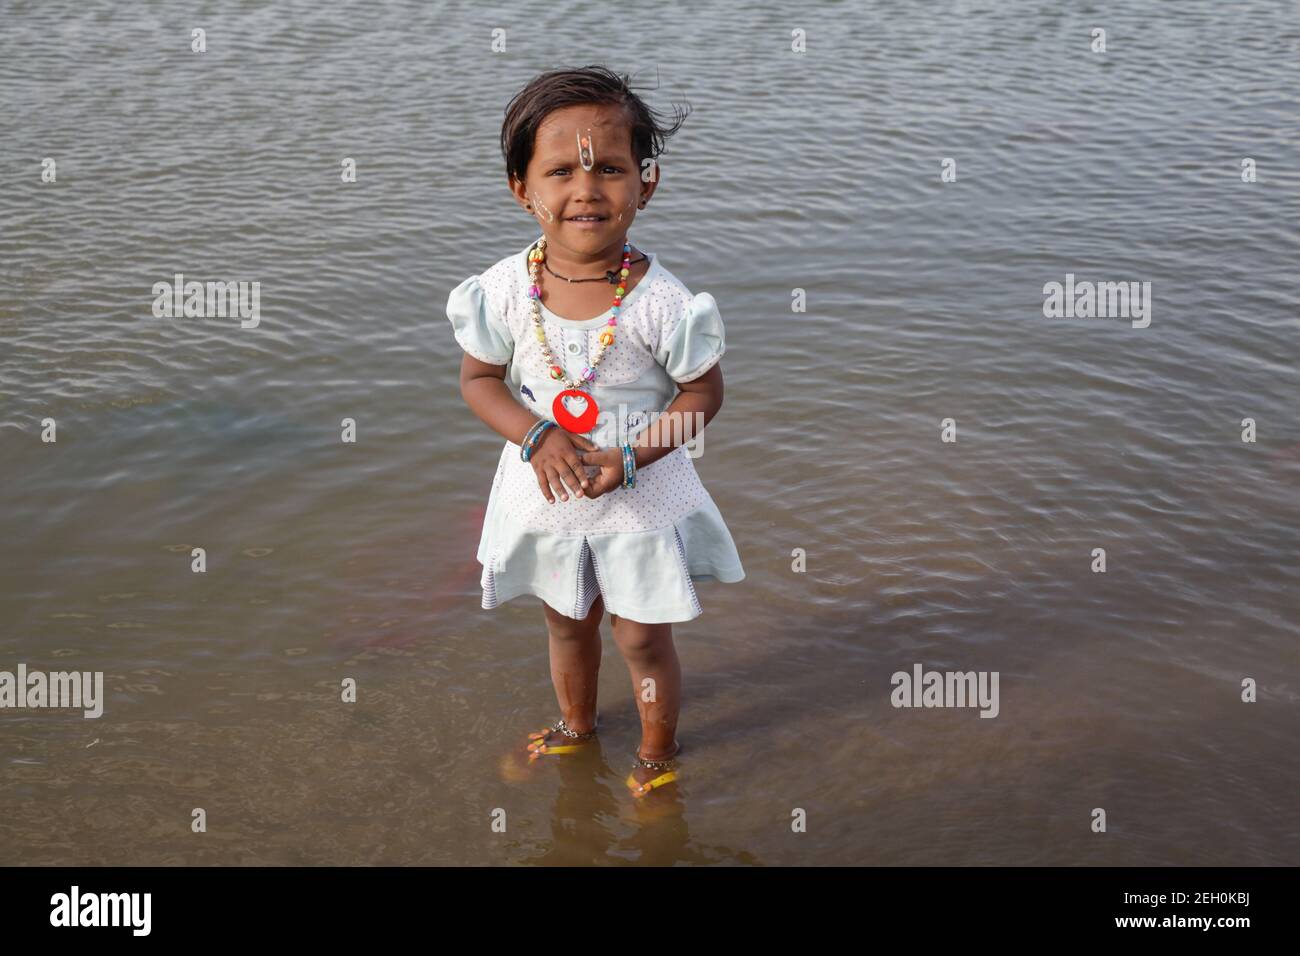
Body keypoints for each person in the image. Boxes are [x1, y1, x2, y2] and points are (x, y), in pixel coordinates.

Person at [446, 66, 744, 798]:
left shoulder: (662, 301)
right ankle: (576, 727)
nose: (586, 190)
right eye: (560, 172)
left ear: (647, 184)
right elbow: (479, 380)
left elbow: (702, 394)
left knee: (641, 635)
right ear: (521, 188)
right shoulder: (503, 290)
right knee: (567, 621)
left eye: (610, 168)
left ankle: (656, 753)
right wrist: (535, 435)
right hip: (547, 487)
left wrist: (633, 456)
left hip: (638, 491)